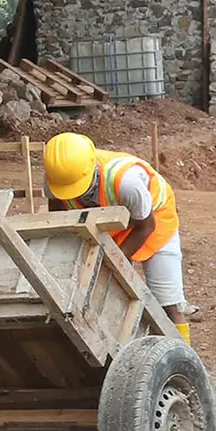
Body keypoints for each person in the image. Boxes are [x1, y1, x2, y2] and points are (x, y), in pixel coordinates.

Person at [43, 134, 189, 340]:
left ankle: (185, 360)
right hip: (110, 223)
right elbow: (62, 222)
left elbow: (145, 226)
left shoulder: (126, 182)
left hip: (153, 219)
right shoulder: (57, 180)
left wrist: (116, 261)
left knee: (167, 302)